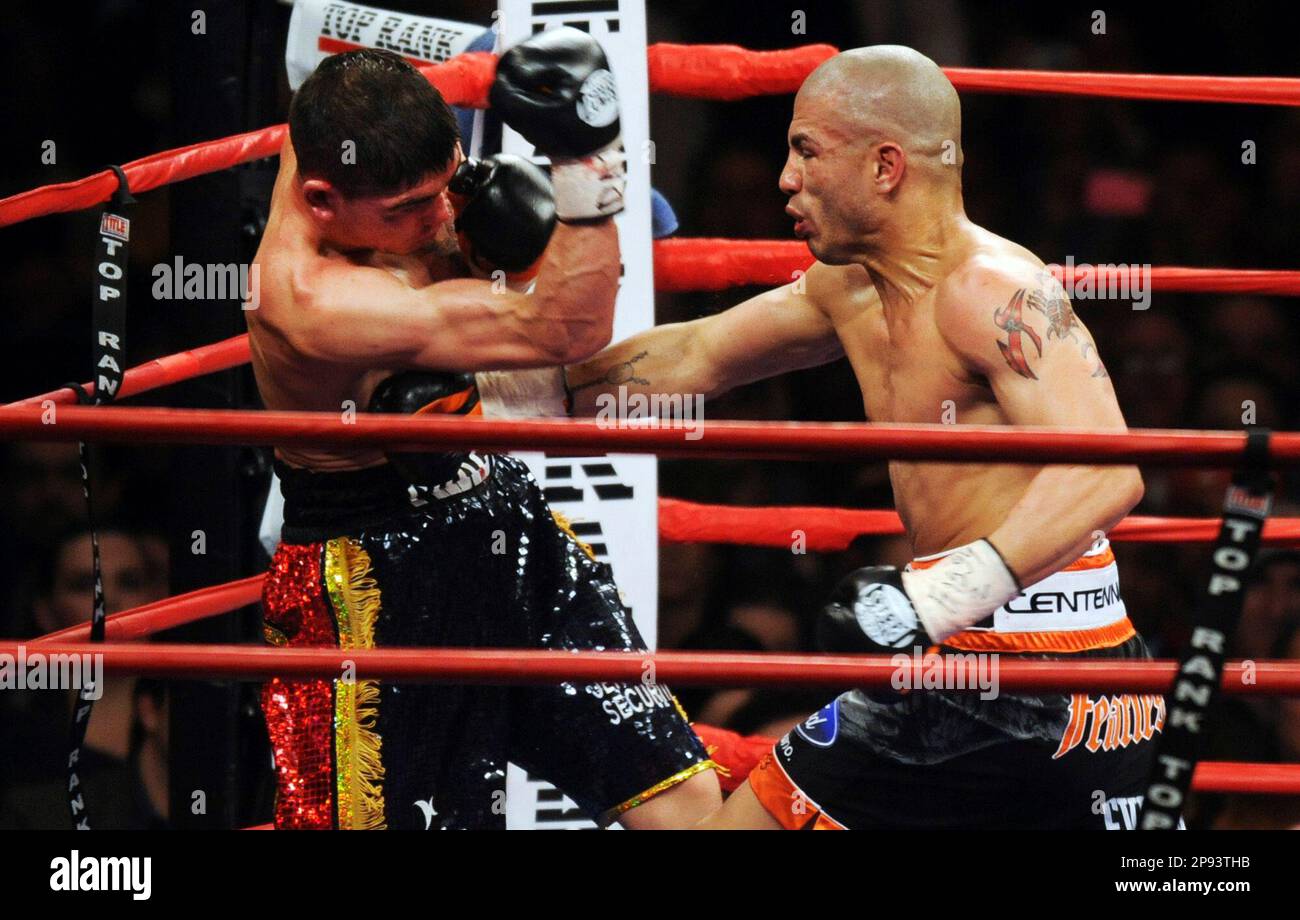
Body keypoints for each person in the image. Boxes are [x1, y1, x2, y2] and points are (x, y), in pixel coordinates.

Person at [555, 45, 1152, 829]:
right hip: (1000, 669)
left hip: (1034, 666)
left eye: (806, 150)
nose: (785, 179)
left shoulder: (989, 288)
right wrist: (493, 392)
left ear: (885, 166)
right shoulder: (850, 288)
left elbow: (1110, 473)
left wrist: (937, 596)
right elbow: (696, 356)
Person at [246, 32, 718, 829]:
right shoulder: (315, 304)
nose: (439, 219)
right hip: (369, 577)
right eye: (409, 209)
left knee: (683, 799)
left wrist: (472, 63)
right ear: (322, 201)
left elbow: (351, 74)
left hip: (501, 522)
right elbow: (566, 329)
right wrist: (588, 162)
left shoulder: (338, 132)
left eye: (445, 187)